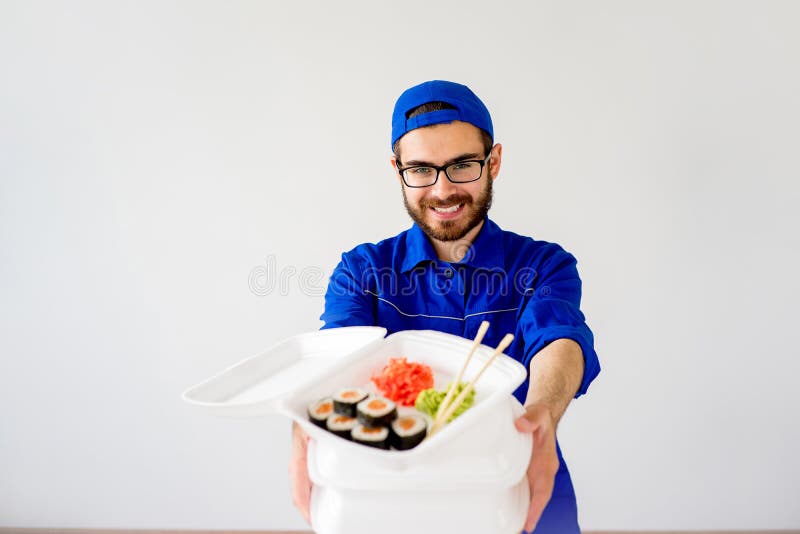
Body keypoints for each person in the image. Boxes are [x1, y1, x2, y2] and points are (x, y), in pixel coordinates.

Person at [289, 80, 601, 534]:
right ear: (398, 171)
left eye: (462, 166)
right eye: (421, 170)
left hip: (516, 484)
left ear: (493, 161)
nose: (442, 190)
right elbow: (339, 356)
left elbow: (559, 338)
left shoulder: (544, 264)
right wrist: (308, 422)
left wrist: (543, 416)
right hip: (388, 502)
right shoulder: (363, 270)